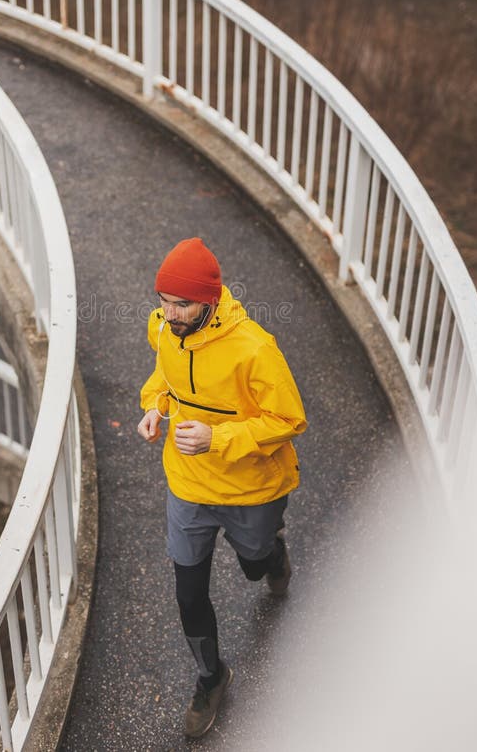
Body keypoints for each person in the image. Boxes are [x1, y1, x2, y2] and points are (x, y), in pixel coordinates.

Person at [137, 237, 307, 738]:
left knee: (254, 568)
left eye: (181, 303)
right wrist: (155, 409)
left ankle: (271, 554)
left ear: (209, 301)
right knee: (188, 593)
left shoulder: (254, 348)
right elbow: (165, 380)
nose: (169, 314)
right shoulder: (166, 329)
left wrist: (218, 436)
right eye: (164, 301)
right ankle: (211, 678)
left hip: (251, 489)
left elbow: (290, 419)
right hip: (188, 486)